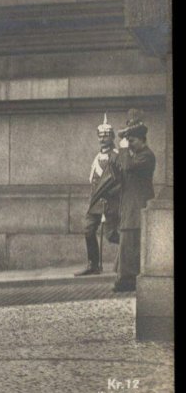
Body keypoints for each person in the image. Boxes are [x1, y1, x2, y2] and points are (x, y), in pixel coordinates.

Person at [111, 110, 156, 292]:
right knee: (127, 245)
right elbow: (122, 171)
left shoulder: (147, 155)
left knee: (130, 244)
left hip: (137, 206)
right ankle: (125, 277)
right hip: (129, 206)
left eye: (133, 141)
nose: (130, 145)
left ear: (142, 140)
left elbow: (128, 166)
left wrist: (122, 148)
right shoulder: (134, 155)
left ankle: (127, 280)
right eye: (128, 141)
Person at [76, 114, 120, 276]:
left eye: (106, 136)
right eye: (100, 136)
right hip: (96, 202)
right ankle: (93, 264)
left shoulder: (116, 157)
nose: (103, 139)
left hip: (110, 202)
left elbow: (121, 182)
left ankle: (131, 253)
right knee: (88, 230)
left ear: (112, 137)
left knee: (111, 235)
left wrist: (109, 194)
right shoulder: (97, 157)